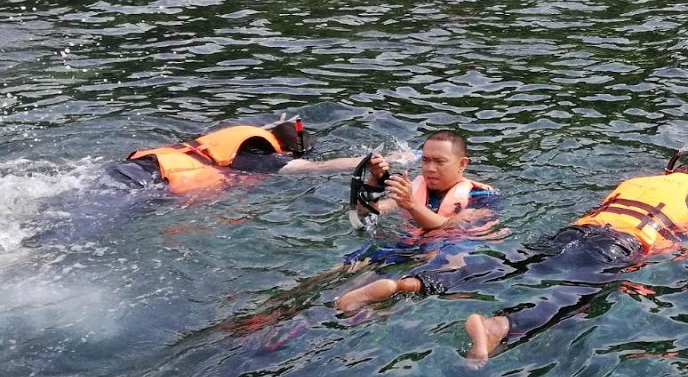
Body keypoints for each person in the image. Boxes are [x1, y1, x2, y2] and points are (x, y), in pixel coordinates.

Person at [463, 154, 688, 358]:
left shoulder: (637, 185)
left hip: (574, 232)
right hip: (615, 246)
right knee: (574, 296)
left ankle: (428, 282)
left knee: (512, 263)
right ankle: (499, 327)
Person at [333, 131, 501, 311]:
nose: (430, 168)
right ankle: (314, 289)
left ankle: (395, 288)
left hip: (448, 246)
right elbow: (368, 213)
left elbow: (451, 224)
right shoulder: (415, 189)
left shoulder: (482, 197)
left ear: (462, 164)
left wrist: (411, 204)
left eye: (439, 162)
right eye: (425, 160)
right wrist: (374, 181)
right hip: (408, 243)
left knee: (452, 270)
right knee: (351, 264)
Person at [110, 119, 364, 195]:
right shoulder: (263, 157)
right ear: (287, 152)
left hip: (133, 167)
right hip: (146, 184)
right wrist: (377, 159)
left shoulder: (238, 137)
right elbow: (317, 168)